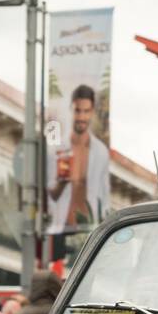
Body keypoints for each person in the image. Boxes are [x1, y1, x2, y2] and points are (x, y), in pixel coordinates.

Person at [47, 83, 111, 232]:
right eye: (78, 111)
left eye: (86, 111)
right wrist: (61, 184)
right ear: (71, 109)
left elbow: (105, 197)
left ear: (92, 112)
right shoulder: (57, 149)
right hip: (62, 228)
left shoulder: (101, 152)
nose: (81, 117)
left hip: (90, 232)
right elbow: (50, 195)